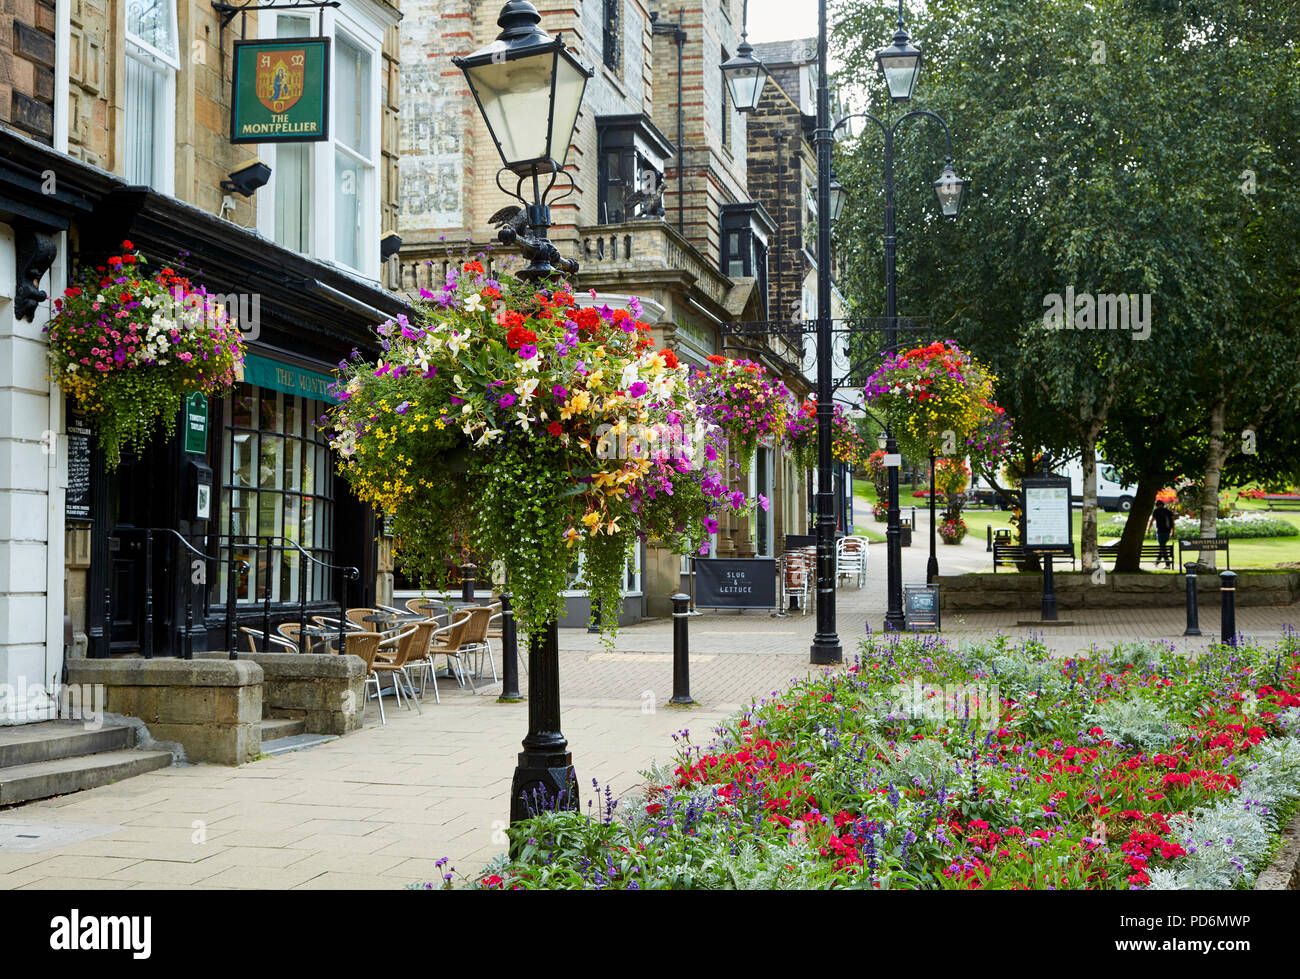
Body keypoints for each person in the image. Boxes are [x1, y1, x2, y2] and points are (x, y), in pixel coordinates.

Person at [1150, 500, 1176, 568]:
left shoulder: (1156, 511)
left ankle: (1167, 563)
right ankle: (1157, 561)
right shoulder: (1168, 511)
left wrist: (1148, 529)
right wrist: (1173, 532)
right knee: (1162, 546)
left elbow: (1152, 520)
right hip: (1167, 531)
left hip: (1160, 531)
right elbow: (1173, 522)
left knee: (1162, 546)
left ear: (1157, 505)